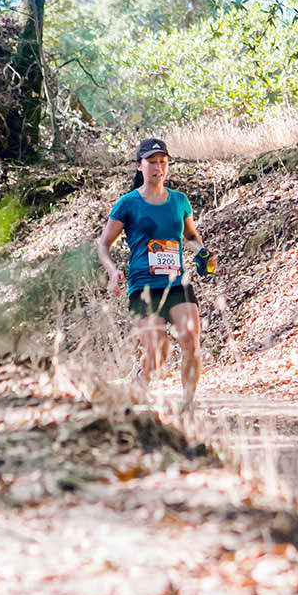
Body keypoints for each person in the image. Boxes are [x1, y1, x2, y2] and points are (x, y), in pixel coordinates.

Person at [96, 138, 208, 412]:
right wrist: (113, 271)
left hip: (177, 282)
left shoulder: (179, 201)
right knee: (159, 351)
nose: (158, 167)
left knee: (191, 342)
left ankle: (188, 404)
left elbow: (190, 235)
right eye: (152, 162)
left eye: (163, 162)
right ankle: (139, 379)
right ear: (140, 166)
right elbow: (103, 245)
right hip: (144, 285)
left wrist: (202, 251)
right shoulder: (128, 204)